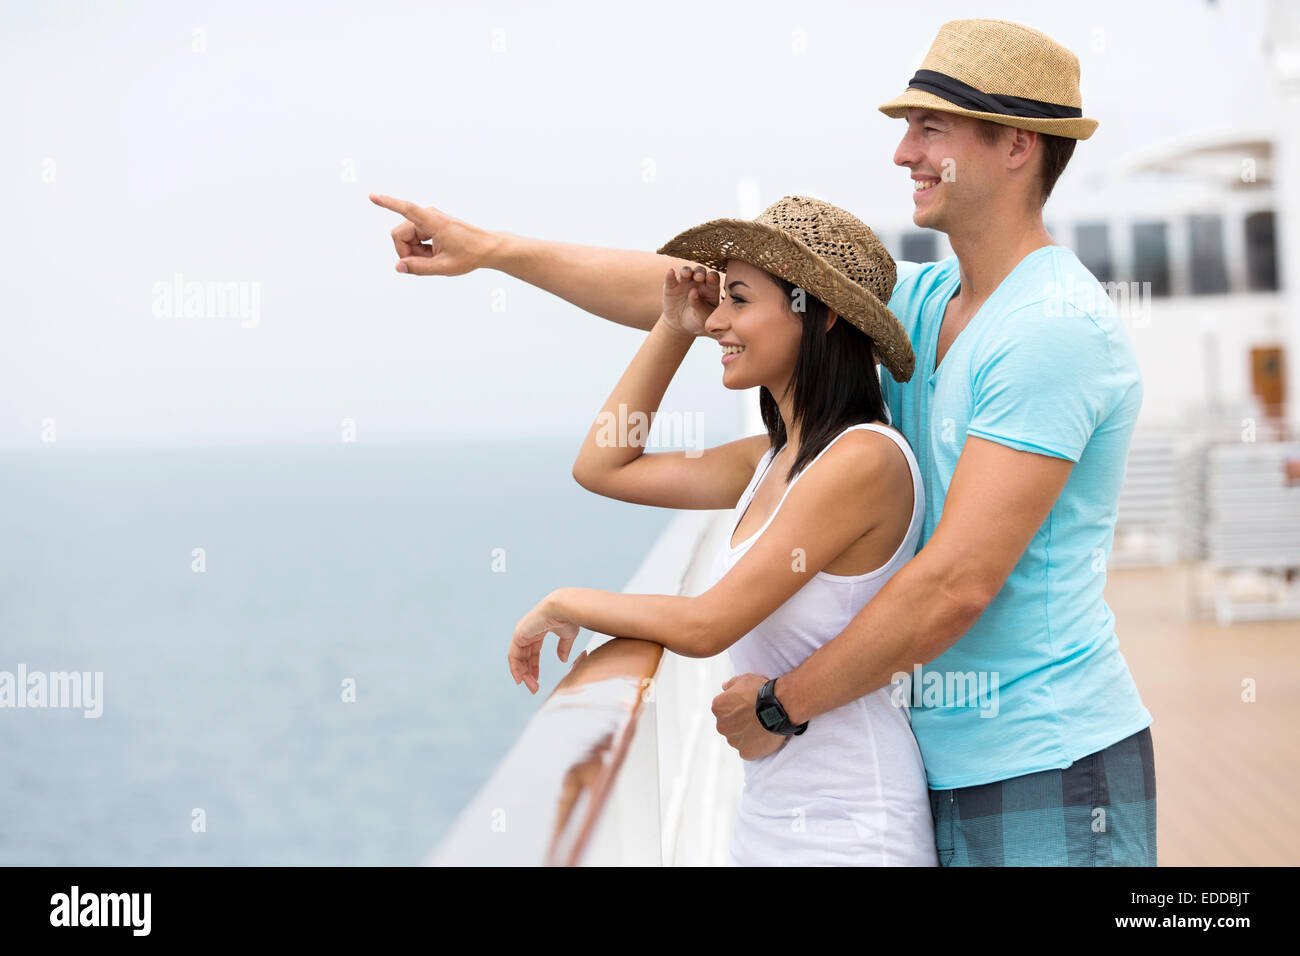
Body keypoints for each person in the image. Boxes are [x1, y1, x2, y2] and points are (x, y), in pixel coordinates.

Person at [369, 17, 1156, 867]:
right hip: (933, 755)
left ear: (1015, 145)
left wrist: (783, 705)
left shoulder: (1050, 329)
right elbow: (690, 296)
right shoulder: (930, 306)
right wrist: (495, 250)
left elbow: (956, 585)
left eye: (932, 128)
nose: (903, 153)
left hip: (1047, 762)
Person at [506, 197, 937, 866]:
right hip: (771, 815)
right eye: (718, 302)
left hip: (854, 826)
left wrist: (568, 602)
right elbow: (603, 465)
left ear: (818, 313)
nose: (719, 321)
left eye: (738, 299)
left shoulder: (862, 459)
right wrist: (672, 326)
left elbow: (708, 625)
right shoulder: (773, 459)